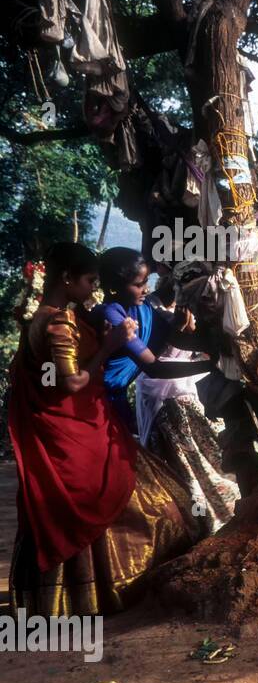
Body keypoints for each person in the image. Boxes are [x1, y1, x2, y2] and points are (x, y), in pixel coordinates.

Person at [6, 243, 201, 615]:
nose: (94, 290)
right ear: (67, 279)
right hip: (75, 430)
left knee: (102, 503)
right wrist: (109, 345)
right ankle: (117, 589)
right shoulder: (58, 323)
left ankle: (82, 596)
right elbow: (71, 384)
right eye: (90, 281)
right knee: (125, 500)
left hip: (78, 424)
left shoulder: (52, 316)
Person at [94, 249, 238, 534]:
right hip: (100, 402)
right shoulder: (112, 314)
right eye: (138, 284)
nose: (145, 288)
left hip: (117, 400)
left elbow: (173, 338)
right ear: (113, 287)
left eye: (146, 281)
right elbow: (154, 367)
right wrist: (211, 365)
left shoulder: (145, 308)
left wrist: (219, 341)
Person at [133, 275, 241, 534]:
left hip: (185, 389)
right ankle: (194, 521)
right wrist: (180, 329)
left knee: (208, 455)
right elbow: (155, 362)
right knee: (182, 462)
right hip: (163, 393)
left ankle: (226, 509)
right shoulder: (148, 309)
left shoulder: (190, 305)